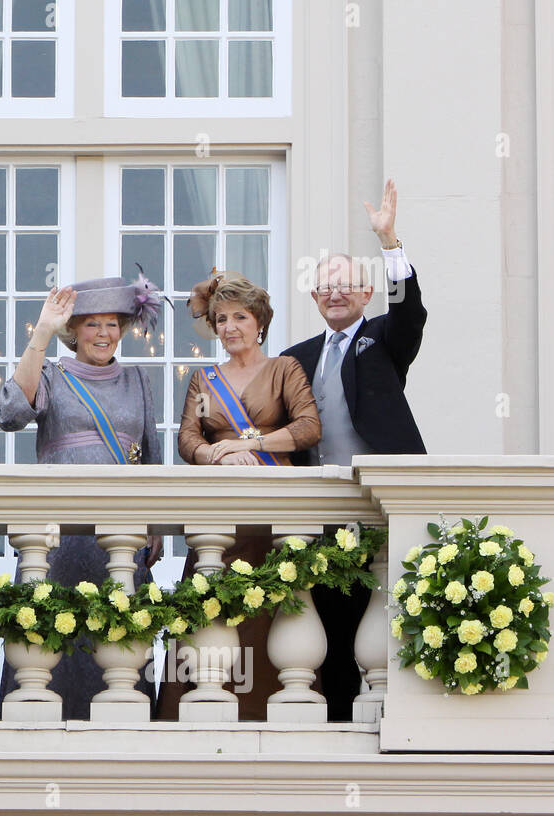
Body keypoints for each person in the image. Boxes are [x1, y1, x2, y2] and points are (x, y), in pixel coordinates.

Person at [281, 177, 426, 721]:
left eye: (345, 286)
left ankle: (395, 721)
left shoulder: (387, 339)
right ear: (314, 297)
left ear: (366, 293)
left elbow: (412, 312)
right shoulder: (295, 357)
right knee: (330, 621)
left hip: (380, 505)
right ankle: (339, 718)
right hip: (316, 511)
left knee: (389, 615)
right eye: (324, 288)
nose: (334, 294)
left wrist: (390, 243)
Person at [0, 277, 163, 719]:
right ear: (75, 331)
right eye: (91, 324)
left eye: (111, 323)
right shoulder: (52, 373)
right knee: (50, 640)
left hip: (120, 536)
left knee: (120, 643)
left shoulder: (138, 380)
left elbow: (152, 459)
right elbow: (9, 414)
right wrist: (42, 333)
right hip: (59, 537)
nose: (103, 334)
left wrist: (157, 524)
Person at [159, 271, 322, 720]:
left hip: (274, 508)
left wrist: (249, 445)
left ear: (260, 322)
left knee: (276, 608)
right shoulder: (203, 380)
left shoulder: (285, 369)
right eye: (222, 319)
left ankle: (270, 712)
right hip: (220, 510)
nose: (231, 327)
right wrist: (215, 454)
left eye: (240, 317)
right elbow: (187, 439)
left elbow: (309, 428)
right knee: (213, 604)